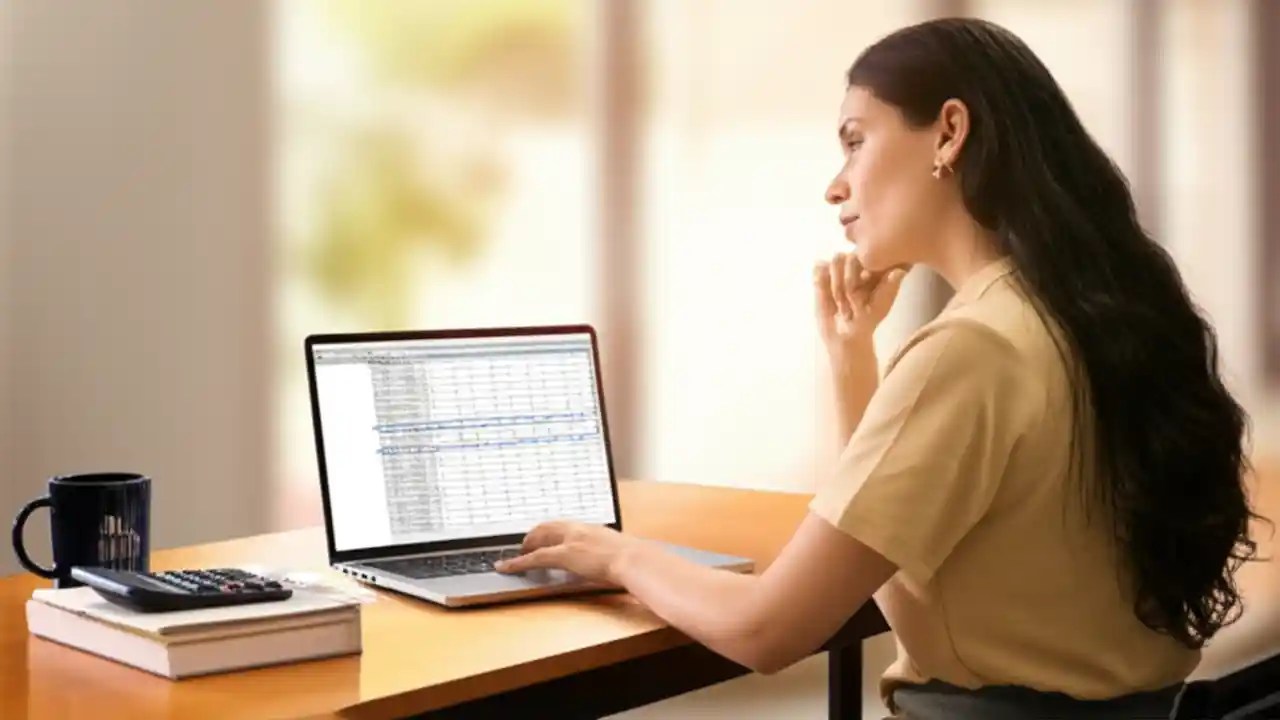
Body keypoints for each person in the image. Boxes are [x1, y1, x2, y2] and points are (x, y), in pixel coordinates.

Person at [496, 17, 1262, 719]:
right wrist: (850, 358)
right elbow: (900, 568)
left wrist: (618, 553)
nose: (836, 184)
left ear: (949, 133)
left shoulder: (971, 349)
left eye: (856, 140)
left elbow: (768, 630)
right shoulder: (1074, 320)